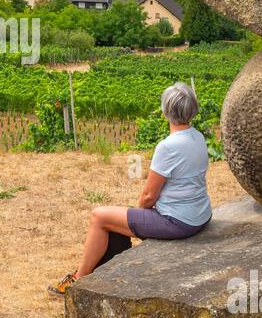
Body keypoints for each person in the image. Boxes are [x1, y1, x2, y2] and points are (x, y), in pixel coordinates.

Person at [49, 82, 212, 295]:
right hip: (200, 215)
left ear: (166, 110)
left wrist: (140, 215)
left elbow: (148, 196)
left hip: (178, 222)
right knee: (117, 218)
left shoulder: (168, 146)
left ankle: (78, 281)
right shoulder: (197, 136)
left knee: (99, 216)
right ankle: (106, 270)